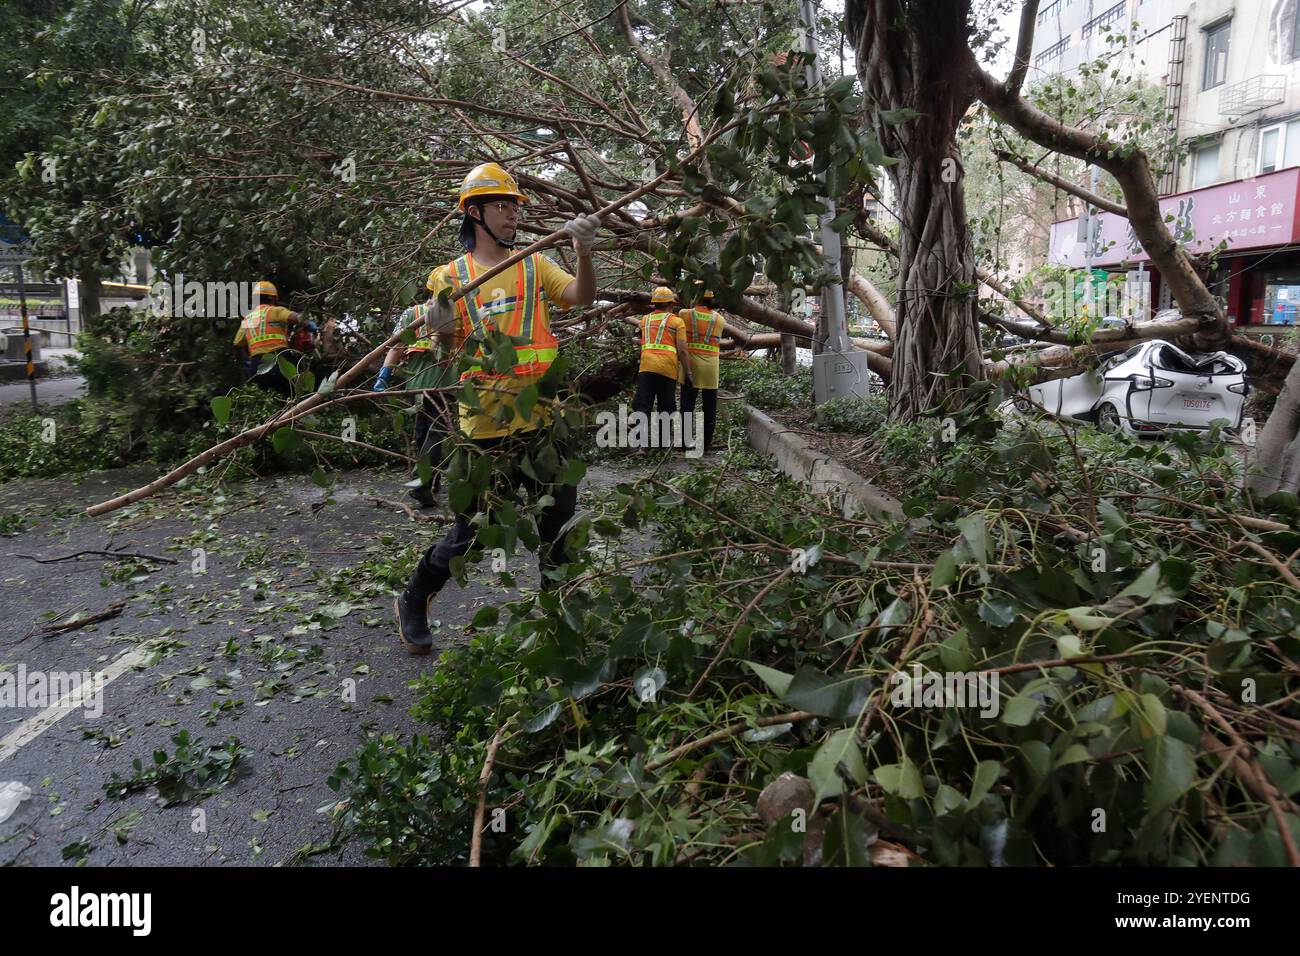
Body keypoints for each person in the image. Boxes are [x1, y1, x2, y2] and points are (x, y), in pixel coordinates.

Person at [393, 162, 600, 655]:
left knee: (560, 524)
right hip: (486, 425)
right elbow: (446, 354)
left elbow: (579, 296)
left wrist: (584, 252)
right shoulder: (451, 277)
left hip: (546, 420)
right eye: (503, 206)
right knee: (476, 532)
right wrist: (439, 324)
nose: (513, 215)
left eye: (515, 207)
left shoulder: (533, 263)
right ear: (475, 212)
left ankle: (557, 620)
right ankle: (415, 596)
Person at [373, 300, 456, 507]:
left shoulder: (413, 312)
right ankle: (424, 484)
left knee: (425, 435)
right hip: (441, 384)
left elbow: (397, 345)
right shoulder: (457, 309)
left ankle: (425, 482)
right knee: (432, 435)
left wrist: (385, 374)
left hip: (422, 384)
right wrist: (384, 375)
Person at [631, 286, 692, 448]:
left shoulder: (645, 320)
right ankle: (662, 444)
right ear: (671, 304)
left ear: (654, 304)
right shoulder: (677, 321)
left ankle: (639, 445)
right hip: (667, 369)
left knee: (642, 404)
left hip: (646, 368)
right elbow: (683, 351)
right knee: (666, 406)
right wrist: (688, 372)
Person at [232, 280, 314, 395]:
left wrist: (246, 363)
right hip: (281, 361)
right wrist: (309, 323)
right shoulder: (276, 311)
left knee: (267, 400)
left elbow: (237, 345)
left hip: (258, 366)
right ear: (273, 298)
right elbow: (296, 318)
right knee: (296, 395)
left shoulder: (248, 319)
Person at [679, 284, 725, 454]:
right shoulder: (719, 319)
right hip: (711, 369)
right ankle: (705, 444)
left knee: (687, 405)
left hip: (691, 366)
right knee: (709, 407)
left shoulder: (685, 314)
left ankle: (684, 442)